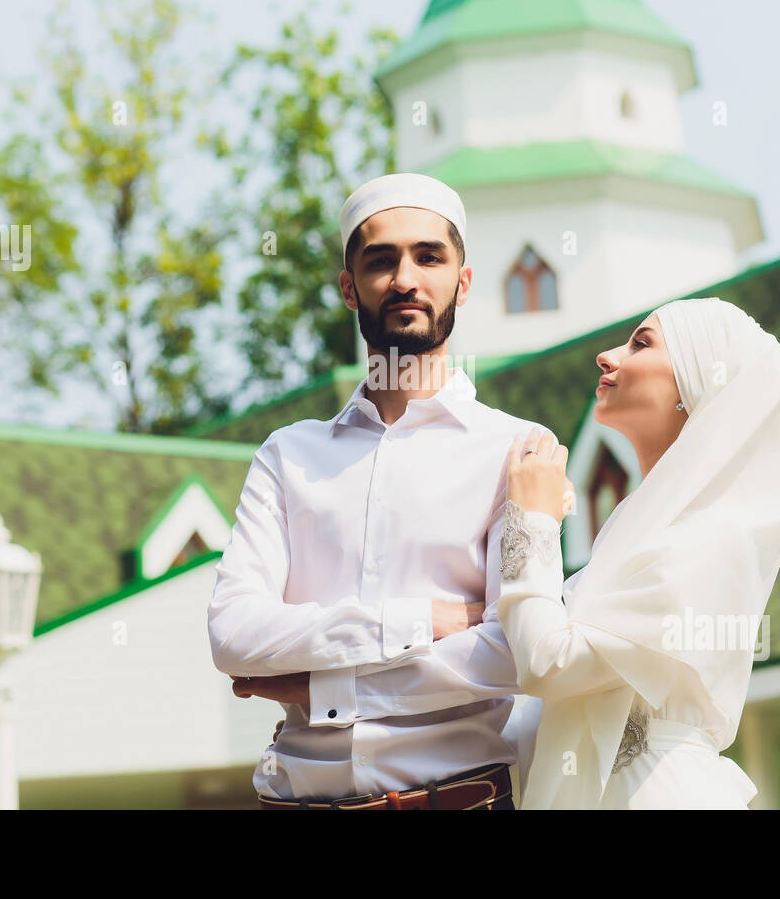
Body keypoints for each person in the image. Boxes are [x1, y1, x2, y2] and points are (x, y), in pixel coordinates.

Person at [207, 172, 570, 810]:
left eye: (429, 256)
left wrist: (317, 686)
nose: (406, 278)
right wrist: (418, 623)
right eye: (382, 261)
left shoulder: (518, 450)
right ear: (350, 288)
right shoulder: (288, 455)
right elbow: (234, 635)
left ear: (463, 280)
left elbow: (516, 654)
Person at [496, 296, 780, 809]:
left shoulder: (716, 538)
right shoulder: (632, 533)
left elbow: (547, 663)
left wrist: (530, 524)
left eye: (641, 343)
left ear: (696, 389)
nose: (607, 356)